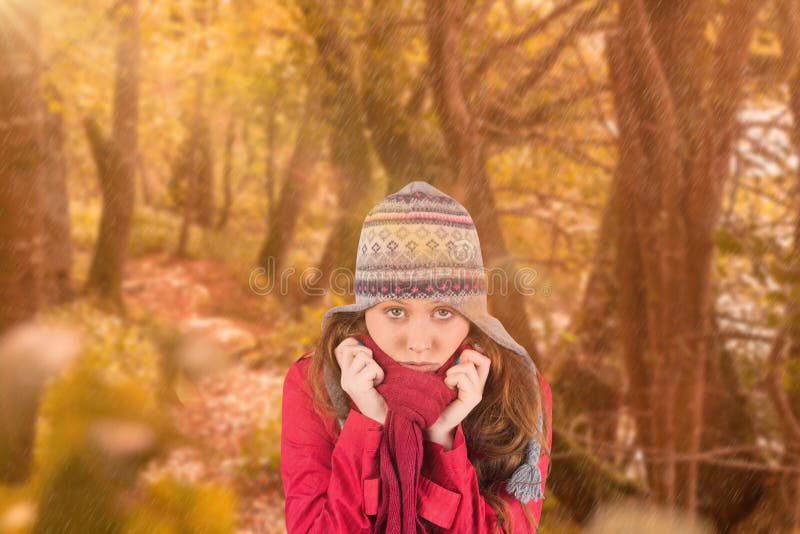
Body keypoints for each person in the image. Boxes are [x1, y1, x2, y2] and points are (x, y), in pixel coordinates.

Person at [280, 181, 552, 533]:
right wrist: (368, 426)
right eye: (395, 311)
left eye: (443, 312)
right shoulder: (316, 382)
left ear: (472, 315)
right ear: (364, 310)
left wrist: (442, 442)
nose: (419, 343)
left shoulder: (518, 392)